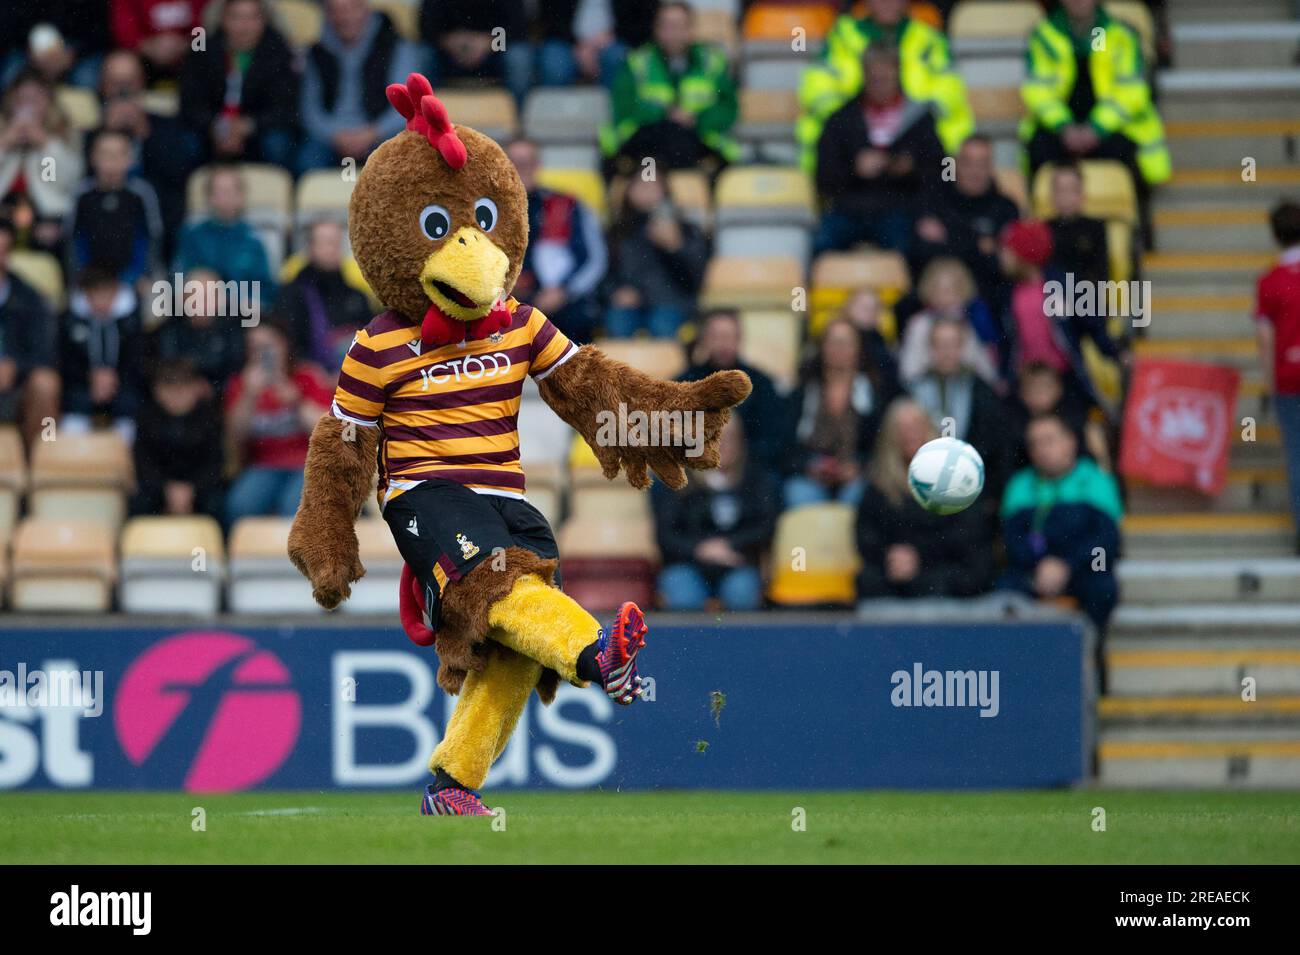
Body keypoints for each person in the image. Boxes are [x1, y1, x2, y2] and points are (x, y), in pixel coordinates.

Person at [1021, 0, 1170, 241]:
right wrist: (1064, 126)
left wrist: (1096, 128)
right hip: (1061, 129)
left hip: (1109, 128)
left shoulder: (1119, 34)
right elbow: (1037, 90)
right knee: (1036, 149)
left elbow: (1131, 92)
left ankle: (1139, 232)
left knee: (1128, 152)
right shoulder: (1044, 35)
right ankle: (1037, 234)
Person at [999, 413, 1122, 680]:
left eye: (1049, 440)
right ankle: (1019, 670)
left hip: (1082, 571)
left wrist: (1067, 565)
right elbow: (1011, 540)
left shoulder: (1095, 480)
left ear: (1070, 443)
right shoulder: (1020, 485)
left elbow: (1106, 543)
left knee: (1104, 587)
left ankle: (1088, 662)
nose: (1042, 449)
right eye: (1035, 443)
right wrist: (1037, 566)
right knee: (1004, 594)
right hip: (1033, 572)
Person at [796, 0, 972, 171]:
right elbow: (819, 87)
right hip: (854, 144)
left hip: (917, 143)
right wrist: (858, 127)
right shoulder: (842, 35)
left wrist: (907, 121)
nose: (888, 2)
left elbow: (949, 89)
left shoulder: (929, 39)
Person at [812, 43, 944, 256]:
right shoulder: (840, 120)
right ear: (864, 76)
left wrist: (911, 168)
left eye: (886, 79)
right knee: (822, 246)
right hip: (849, 209)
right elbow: (823, 177)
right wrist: (854, 169)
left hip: (900, 208)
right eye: (875, 79)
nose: (880, 85)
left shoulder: (920, 119)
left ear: (898, 74)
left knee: (910, 248)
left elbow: (944, 170)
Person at [855, 397, 994, 599]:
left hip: (943, 569)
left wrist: (920, 555)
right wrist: (892, 556)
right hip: (894, 572)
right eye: (900, 428)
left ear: (929, 429)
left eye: (915, 425)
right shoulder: (878, 486)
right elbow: (866, 535)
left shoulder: (957, 478)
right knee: (868, 581)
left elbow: (969, 536)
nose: (908, 433)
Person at [1000, 218, 1122, 419]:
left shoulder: (1063, 285)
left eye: (1008, 251)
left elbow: (1091, 323)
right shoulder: (1007, 292)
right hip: (1025, 381)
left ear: (1024, 254)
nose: (1002, 256)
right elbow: (1006, 339)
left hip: (1064, 377)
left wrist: (1114, 351)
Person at [651, 417, 777, 611]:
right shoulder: (679, 482)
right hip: (688, 564)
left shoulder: (756, 481)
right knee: (683, 595)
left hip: (738, 564)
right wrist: (700, 550)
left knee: (741, 593)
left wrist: (730, 545)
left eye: (730, 438)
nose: (723, 445)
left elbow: (765, 526)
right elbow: (666, 535)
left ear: (740, 442)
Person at [603, 1, 738, 173]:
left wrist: (696, 118)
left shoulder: (711, 62)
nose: (672, 32)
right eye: (666, 25)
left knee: (682, 144)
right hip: (649, 143)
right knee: (651, 154)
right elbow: (624, 107)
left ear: (691, 29)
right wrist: (666, 113)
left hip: (697, 139)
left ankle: (686, 193)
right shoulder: (637, 61)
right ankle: (650, 191)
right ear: (656, 29)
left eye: (678, 26)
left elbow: (727, 106)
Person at [223, 316, 332, 526]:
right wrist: (248, 396)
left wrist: (296, 401)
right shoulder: (242, 383)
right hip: (263, 465)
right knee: (240, 506)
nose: (262, 354)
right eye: (254, 347)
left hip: (307, 464)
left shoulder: (307, 376)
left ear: (284, 344)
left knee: (294, 507)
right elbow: (234, 436)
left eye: (267, 346)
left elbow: (328, 431)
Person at [782, 317, 900, 508]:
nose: (839, 348)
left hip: (858, 474)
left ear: (859, 349)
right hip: (811, 473)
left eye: (846, 342)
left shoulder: (875, 392)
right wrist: (808, 467)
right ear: (822, 348)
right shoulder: (803, 393)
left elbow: (882, 445)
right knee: (798, 493)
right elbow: (785, 445)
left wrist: (859, 467)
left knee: (861, 495)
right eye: (833, 342)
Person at [99, 50, 203, 260]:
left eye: (129, 83)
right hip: (105, 220)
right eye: (116, 83)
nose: (123, 91)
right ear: (103, 86)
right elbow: (85, 182)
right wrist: (107, 134)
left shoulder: (164, 126)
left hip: (158, 222)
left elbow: (178, 175)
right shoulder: (93, 133)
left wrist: (144, 132)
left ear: (142, 84)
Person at [298, 0, 423, 172]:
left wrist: (372, 133)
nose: (344, 17)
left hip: (381, 133)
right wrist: (336, 135)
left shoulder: (396, 46)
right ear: (327, 15)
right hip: (331, 138)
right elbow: (310, 109)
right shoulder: (317, 52)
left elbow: (406, 107)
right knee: (305, 162)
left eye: (351, 9)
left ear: (367, 10)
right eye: (336, 11)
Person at [909, 134, 1020, 321]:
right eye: (968, 163)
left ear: (991, 167)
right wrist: (978, 245)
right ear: (956, 165)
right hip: (936, 297)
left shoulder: (1006, 208)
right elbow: (919, 252)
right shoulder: (932, 200)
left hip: (989, 299)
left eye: (982, 164)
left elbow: (1003, 265)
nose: (974, 171)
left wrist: (948, 239)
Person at [506, 138, 607, 342]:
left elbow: (594, 260)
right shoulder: (487, 210)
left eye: (528, 162)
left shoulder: (566, 204)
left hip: (561, 304)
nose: (522, 169)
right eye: (515, 163)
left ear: (538, 164)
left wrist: (564, 291)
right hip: (505, 304)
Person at [179, 0, 299, 168]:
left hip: (257, 130)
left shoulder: (279, 52)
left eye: (252, 18)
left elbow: (284, 109)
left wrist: (247, 126)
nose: (244, 26)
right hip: (211, 129)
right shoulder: (203, 49)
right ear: (223, 19)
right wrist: (217, 127)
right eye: (236, 17)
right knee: (185, 143)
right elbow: (191, 104)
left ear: (264, 20)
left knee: (277, 144)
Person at [907, 316, 1012, 505]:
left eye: (952, 345)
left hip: (971, 482)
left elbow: (994, 445)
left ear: (962, 348)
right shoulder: (914, 389)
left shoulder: (981, 390)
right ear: (930, 349)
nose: (946, 352)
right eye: (940, 345)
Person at [679, 308, 784, 476]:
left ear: (740, 339)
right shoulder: (683, 383)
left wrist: (735, 459)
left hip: (748, 472)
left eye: (729, 337)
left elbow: (772, 440)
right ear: (705, 339)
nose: (723, 344)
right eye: (717, 337)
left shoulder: (761, 384)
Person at [604, 168, 705, 340]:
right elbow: (602, 273)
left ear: (665, 191)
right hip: (627, 305)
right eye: (641, 184)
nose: (647, 191)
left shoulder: (685, 230)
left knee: (662, 325)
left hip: (671, 303)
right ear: (629, 190)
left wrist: (674, 248)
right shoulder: (616, 232)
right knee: (617, 322)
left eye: (653, 186)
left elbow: (695, 278)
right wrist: (615, 291)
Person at [1255, 200, 1300, 552]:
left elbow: (1265, 336)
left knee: (1297, 456)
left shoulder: (1269, 282)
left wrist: (1271, 381)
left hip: (1289, 377)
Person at [0, 70, 84, 256]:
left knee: (48, 237)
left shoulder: (62, 134)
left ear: (49, 103)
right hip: (4, 213)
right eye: (22, 100)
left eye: (35, 99)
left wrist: (44, 143)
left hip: (45, 216)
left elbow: (58, 182)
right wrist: (5, 144)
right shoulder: (3, 132)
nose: (28, 106)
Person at [66, 126, 163, 286]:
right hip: (91, 280)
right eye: (105, 154)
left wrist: (140, 275)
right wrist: (83, 277)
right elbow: (73, 240)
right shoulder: (81, 194)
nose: (112, 161)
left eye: (119, 154)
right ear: (93, 157)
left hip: (135, 278)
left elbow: (152, 237)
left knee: (156, 299)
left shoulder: (142, 193)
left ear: (130, 159)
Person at [57, 267, 144, 443]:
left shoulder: (134, 321)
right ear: (85, 293)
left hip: (122, 389)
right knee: (73, 410)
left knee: (131, 409)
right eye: (95, 294)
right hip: (81, 388)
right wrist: (90, 378)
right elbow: (63, 361)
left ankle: (124, 463)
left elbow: (139, 361)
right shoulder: (68, 321)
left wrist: (113, 380)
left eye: (107, 294)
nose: (101, 301)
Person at [131, 357, 225, 520]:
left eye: (185, 385)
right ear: (156, 390)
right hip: (158, 488)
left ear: (198, 388)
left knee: (217, 504)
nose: (178, 393)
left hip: (201, 489)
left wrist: (192, 489)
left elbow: (215, 463)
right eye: (170, 386)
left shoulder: (210, 417)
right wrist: (166, 489)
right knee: (140, 504)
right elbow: (143, 463)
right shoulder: (146, 417)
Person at [279, 220, 373, 373]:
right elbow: (288, 348)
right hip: (307, 382)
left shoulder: (357, 296)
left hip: (353, 378)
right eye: (326, 243)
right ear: (310, 247)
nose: (333, 249)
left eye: (337, 243)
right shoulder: (292, 295)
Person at [0, 220, 60, 449]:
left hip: (18, 390)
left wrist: (15, 366)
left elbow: (46, 353)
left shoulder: (31, 298)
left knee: (46, 383)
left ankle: (43, 458)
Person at [897, 257, 1000, 387]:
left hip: (964, 386)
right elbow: (909, 368)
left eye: (951, 290)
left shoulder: (969, 321)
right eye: (939, 290)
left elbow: (983, 367)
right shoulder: (919, 323)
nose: (945, 296)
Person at [172, 165, 274, 295]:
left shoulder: (253, 240)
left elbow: (265, 289)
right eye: (219, 191)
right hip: (199, 307)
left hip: (240, 310)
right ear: (209, 197)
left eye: (231, 190)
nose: (226, 197)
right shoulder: (192, 235)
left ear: (241, 196)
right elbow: (178, 278)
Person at [146, 266, 247, 395]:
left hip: (224, 399)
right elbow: (166, 370)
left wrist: (214, 387)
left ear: (222, 299)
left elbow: (237, 370)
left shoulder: (237, 328)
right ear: (183, 299)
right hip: (179, 397)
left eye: (209, 296)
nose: (200, 302)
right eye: (193, 295)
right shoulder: (169, 329)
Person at [419, 0, 531, 103]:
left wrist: (489, 42)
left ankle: (519, 119)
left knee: (518, 57)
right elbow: (425, 27)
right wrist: (449, 41)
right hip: (447, 54)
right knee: (420, 55)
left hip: (495, 53)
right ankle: (421, 116)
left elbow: (519, 27)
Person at [110, 0, 208, 83]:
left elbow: (207, 29)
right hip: (145, 59)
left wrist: (182, 45)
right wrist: (151, 47)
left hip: (189, 57)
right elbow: (124, 33)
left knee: (208, 55)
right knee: (121, 65)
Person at [1046, 161, 1110, 285]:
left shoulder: (1095, 228)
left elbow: (1101, 274)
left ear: (1082, 195)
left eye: (1072, 190)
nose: (1066, 197)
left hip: (1085, 296)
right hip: (1051, 296)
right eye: (1060, 190)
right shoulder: (1043, 228)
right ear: (1052, 196)